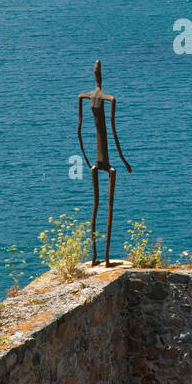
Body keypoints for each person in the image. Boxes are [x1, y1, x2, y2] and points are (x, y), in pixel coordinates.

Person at [77, 61, 132, 265]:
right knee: (107, 207)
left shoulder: (84, 97)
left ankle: (94, 258)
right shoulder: (109, 99)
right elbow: (113, 131)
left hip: (95, 159)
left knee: (95, 206)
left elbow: (79, 129)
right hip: (106, 160)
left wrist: (86, 159)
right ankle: (105, 258)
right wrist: (124, 160)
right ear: (102, 76)